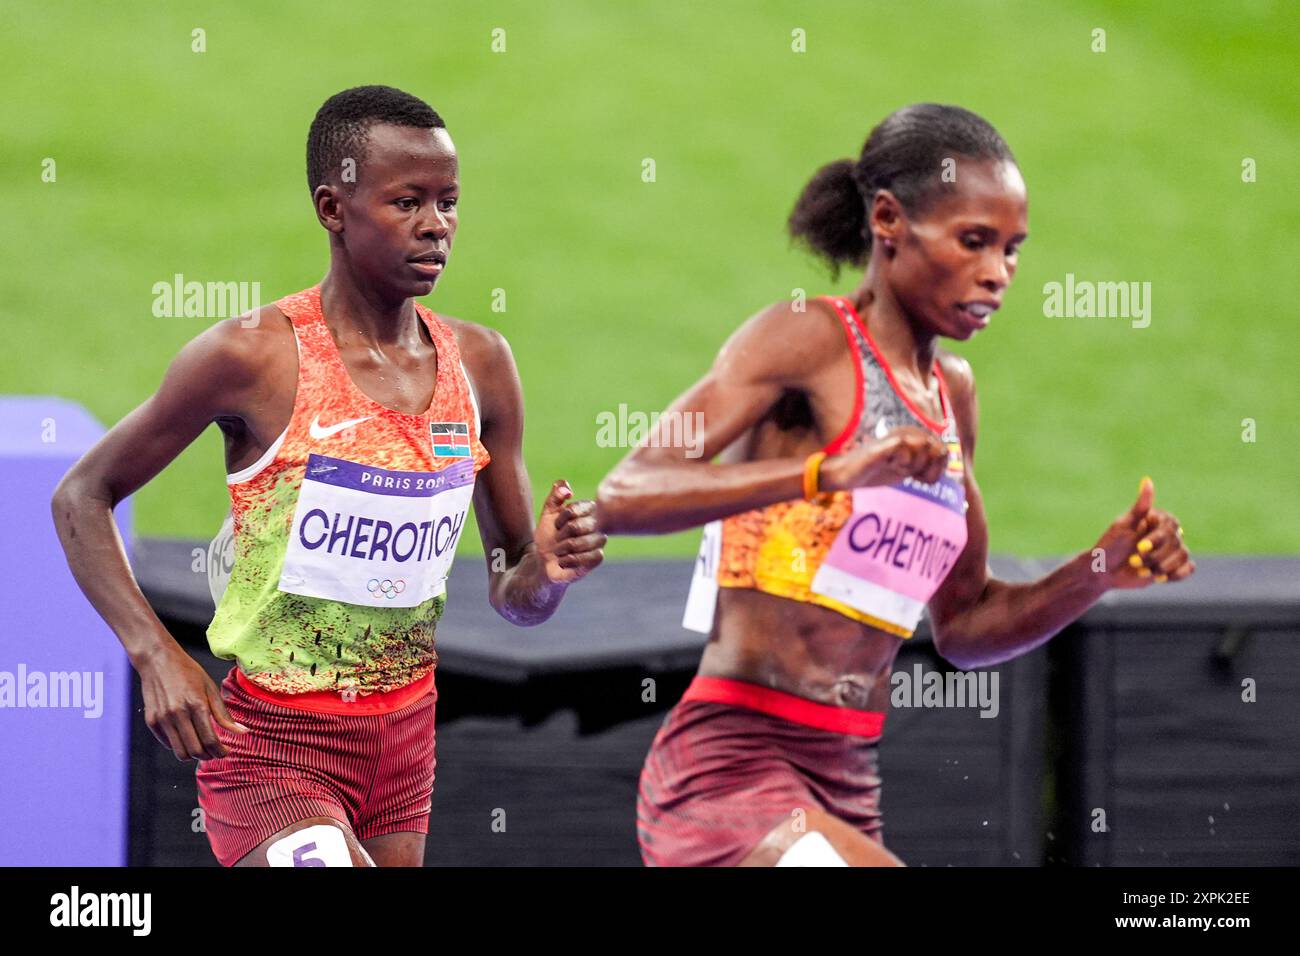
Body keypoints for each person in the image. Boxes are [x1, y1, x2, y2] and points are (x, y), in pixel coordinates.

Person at [596, 103, 1194, 867]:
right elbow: (625, 491)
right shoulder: (805, 337)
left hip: (847, 783)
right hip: (732, 772)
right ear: (888, 220)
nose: (997, 273)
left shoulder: (953, 394)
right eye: (973, 241)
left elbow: (966, 626)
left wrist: (1102, 569)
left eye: (1013, 249)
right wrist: (824, 472)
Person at [50, 85, 606, 867]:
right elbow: (81, 494)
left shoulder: (482, 365)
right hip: (270, 746)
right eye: (406, 201)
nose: (436, 225)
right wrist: (156, 655)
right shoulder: (252, 359)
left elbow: (516, 593)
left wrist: (546, 571)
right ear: (332, 207)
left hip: (405, 744)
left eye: (449, 202)